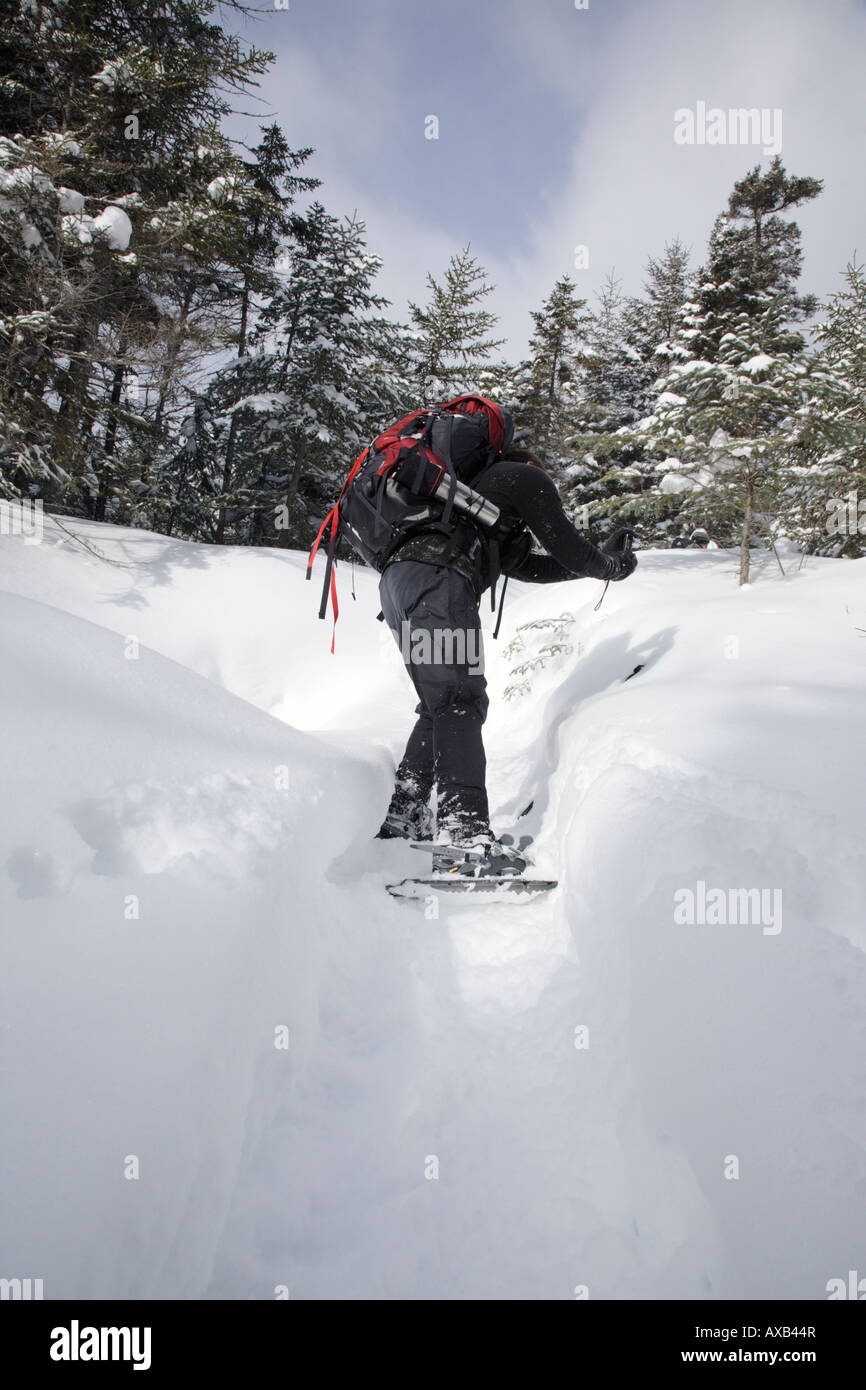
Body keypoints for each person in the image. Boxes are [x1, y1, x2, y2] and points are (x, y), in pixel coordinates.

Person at [376, 438, 638, 864]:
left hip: (399, 584)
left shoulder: (472, 504)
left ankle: (404, 815)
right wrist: (614, 566)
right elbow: (568, 548)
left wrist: (595, 565)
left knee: (439, 702)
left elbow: (536, 566)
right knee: (460, 701)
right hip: (439, 580)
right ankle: (464, 833)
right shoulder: (523, 477)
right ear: (532, 463)